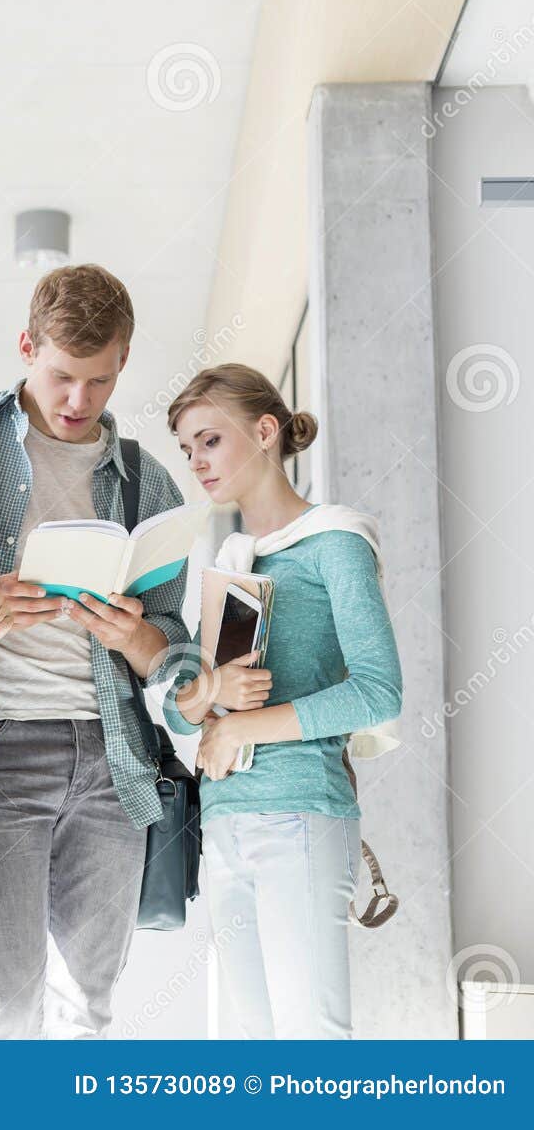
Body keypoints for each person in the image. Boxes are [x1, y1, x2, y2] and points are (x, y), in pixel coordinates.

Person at [0, 264, 191, 1038]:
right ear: (27, 346)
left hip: (113, 760)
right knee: (1, 1000)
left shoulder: (149, 487)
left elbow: (172, 650)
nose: (77, 401)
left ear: (123, 362)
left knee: (87, 1004)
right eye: (62, 376)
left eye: (98, 382)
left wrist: (137, 634)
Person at [164, 363, 403, 1039]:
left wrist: (243, 728)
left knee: (313, 1046)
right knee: (254, 1053)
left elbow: (379, 689)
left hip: (299, 814)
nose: (197, 461)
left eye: (209, 440)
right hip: (226, 825)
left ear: (265, 431)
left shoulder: (336, 541)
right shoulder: (236, 559)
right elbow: (204, 714)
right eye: (187, 449)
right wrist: (209, 704)